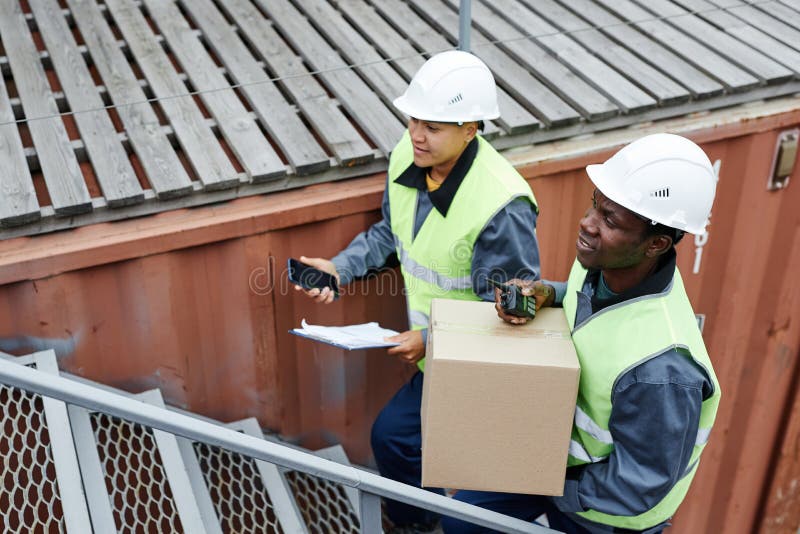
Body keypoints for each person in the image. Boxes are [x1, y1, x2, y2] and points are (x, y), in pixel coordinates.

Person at [296, 50, 541, 531]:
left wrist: (431, 341)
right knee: (394, 440)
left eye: (433, 126)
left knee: (460, 486)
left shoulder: (501, 205)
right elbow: (392, 233)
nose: (415, 134)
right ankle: (417, 524)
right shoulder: (407, 155)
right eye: (413, 120)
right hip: (437, 360)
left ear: (471, 129)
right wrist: (340, 268)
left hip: (480, 366)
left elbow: (512, 314)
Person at [442, 133, 722, 534]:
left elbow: (638, 485)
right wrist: (546, 294)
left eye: (610, 221)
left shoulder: (663, 369)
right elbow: (587, 306)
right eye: (596, 206)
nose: (587, 223)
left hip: (604, 513)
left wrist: (551, 485)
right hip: (554, 461)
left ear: (656, 243)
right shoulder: (606, 266)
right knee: (460, 521)